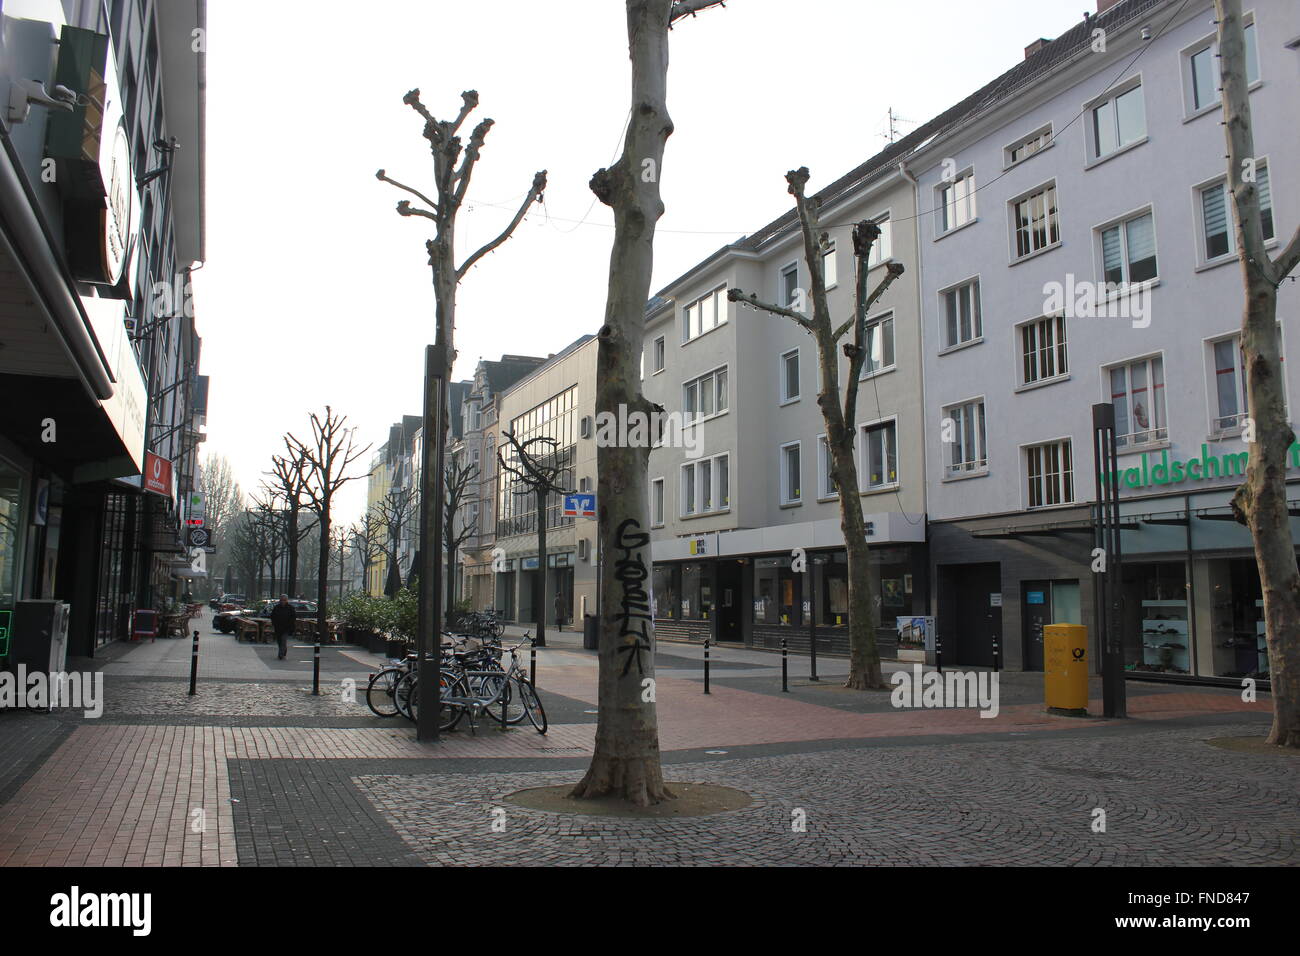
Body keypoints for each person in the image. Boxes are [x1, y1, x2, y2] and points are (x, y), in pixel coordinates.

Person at [270, 594, 297, 661]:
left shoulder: (290, 608)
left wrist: (290, 625)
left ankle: (281, 655)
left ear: (286, 600)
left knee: (283, 640)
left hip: (286, 628)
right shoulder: (276, 607)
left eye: (284, 600)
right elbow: (272, 616)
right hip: (278, 627)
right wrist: (274, 623)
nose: (282, 601)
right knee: (279, 641)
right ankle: (283, 652)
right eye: (281, 600)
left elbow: (293, 617)